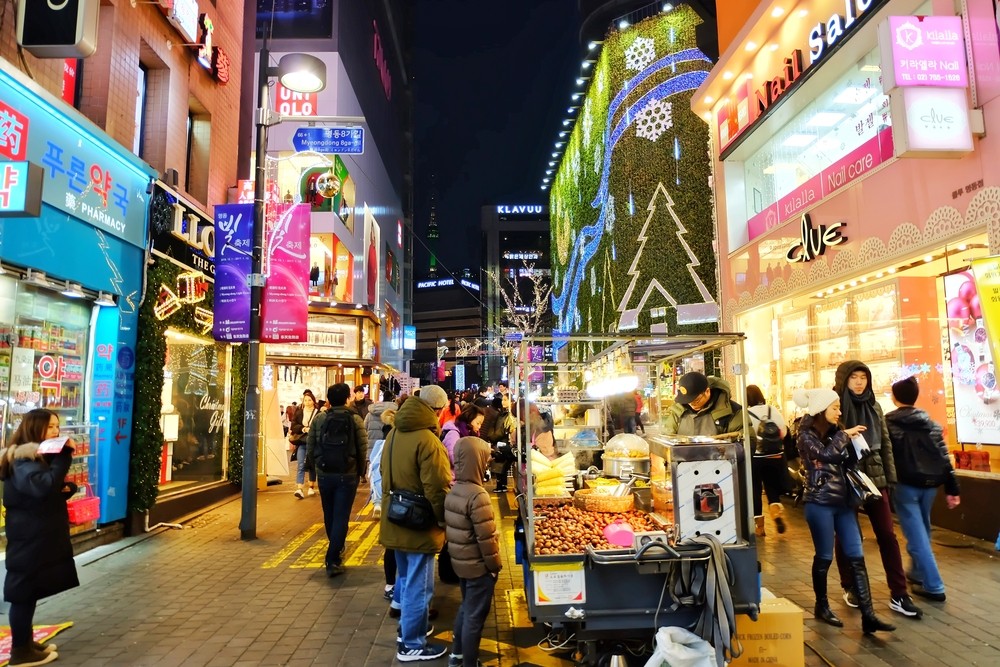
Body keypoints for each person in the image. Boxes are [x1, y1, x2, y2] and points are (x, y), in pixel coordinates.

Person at [794, 388, 895, 635]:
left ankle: (869, 615)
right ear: (821, 410)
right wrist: (845, 437)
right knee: (824, 556)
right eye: (835, 408)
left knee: (856, 555)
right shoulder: (805, 435)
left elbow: (846, 463)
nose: (839, 412)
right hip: (819, 502)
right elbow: (826, 456)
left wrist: (856, 448)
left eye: (839, 407)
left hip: (844, 503)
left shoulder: (837, 432)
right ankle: (822, 605)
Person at [832, 360, 922, 620]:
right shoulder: (835, 406)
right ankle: (850, 585)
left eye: (863, 377)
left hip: (876, 476)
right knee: (848, 535)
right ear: (844, 380)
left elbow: (885, 444)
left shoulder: (875, 405)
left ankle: (899, 593)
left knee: (887, 534)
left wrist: (890, 480)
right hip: (846, 476)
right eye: (854, 377)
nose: (859, 382)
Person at [379, 383, 452, 661]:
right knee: (420, 586)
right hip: (419, 521)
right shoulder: (428, 440)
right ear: (438, 409)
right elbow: (436, 487)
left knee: (407, 578)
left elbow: (384, 472)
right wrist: (443, 519)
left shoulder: (395, 431)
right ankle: (411, 643)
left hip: (395, 515)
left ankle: (409, 630)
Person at [2, 409, 79, 666]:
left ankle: (25, 641)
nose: (56, 432)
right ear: (34, 429)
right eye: (50, 427)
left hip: (37, 535)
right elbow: (43, 485)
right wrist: (64, 455)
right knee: (23, 593)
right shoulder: (22, 461)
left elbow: (42, 492)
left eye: (57, 426)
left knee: (30, 591)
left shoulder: (34, 457)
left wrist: (64, 490)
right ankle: (20, 653)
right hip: (28, 538)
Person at [885, 376, 961, 603]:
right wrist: (952, 489)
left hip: (904, 486)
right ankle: (917, 573)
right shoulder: (931, 424)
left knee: (917, 537)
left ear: (894, 397)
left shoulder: (888, 423)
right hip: (929, 486)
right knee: (923, 530)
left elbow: (886, 457)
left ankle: (934, 586)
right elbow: (944, 458)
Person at [444, 436, 502, 667]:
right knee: (475, 618)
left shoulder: (455, 490)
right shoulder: (478, 496)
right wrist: (494, 568)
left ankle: (456, 656)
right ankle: (469, 662)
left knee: (466, 609)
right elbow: (486, 539)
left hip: (462, 564)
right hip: (478, 568)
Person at [308, 383, 368, 577]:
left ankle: (335, 549)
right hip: (347, 473)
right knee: (342, 516)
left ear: (328, 399)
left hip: (325, 473)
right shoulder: (355, 419)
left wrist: (314, 471)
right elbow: (362, 447)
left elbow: (311, 446)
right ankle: (333, 557)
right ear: (347, 398)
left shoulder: (319, 419)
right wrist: (361, 472)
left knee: (330, 513)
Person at [746, 384, 791, 536]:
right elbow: (783, 432)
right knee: (772, 488)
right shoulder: (773, 410)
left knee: (756, 489)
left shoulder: (746, 413)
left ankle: (760, 528)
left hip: (756, 457)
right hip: (775, 456)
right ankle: (776, 512)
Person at [663, 372, 753, 443]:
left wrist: (724, 452)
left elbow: (749, 441)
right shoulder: (678, 411)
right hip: (682, 465)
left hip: (721, 464)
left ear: (707, 391)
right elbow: (667, 436)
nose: (691, 404)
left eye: (696, 400)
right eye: (687, 401)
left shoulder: (732, 411)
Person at [369, 408, 398, 600]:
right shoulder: (403, 442)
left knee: (392, 546)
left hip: (389, 500)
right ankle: (398, 589)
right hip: (407, 503)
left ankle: (391, 586)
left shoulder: (383, 443)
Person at [441, 404, 486, 480]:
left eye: (481, 424)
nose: (479, 427)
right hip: (452, 480)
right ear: (469, 420)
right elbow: (455, 459)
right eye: (477, 423)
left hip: (460, 478)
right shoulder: (453, 434)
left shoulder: (467, 434)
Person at [483, 393, 517, 493]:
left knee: (501, 464)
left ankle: (502, 486)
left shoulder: (509, 416)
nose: (503, 402)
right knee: (499, 464)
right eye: (503, 399)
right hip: (500, 442)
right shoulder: (502, 414)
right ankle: (501, 485)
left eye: (506, 399)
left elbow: (504, 430)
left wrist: (493, 437)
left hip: (503, 443)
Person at [289, 390, 319, 499]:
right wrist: (303, 428)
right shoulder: (299, 412)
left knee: (312, 465)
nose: (307, 402)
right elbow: (293, 425)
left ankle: (311, 487)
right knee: (301, 464)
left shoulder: (318, 412)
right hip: (302, 441)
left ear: (313, 401)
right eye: (305, 400)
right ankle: (299, 488)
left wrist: (313, 430)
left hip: (314, 442)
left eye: (309, 400)